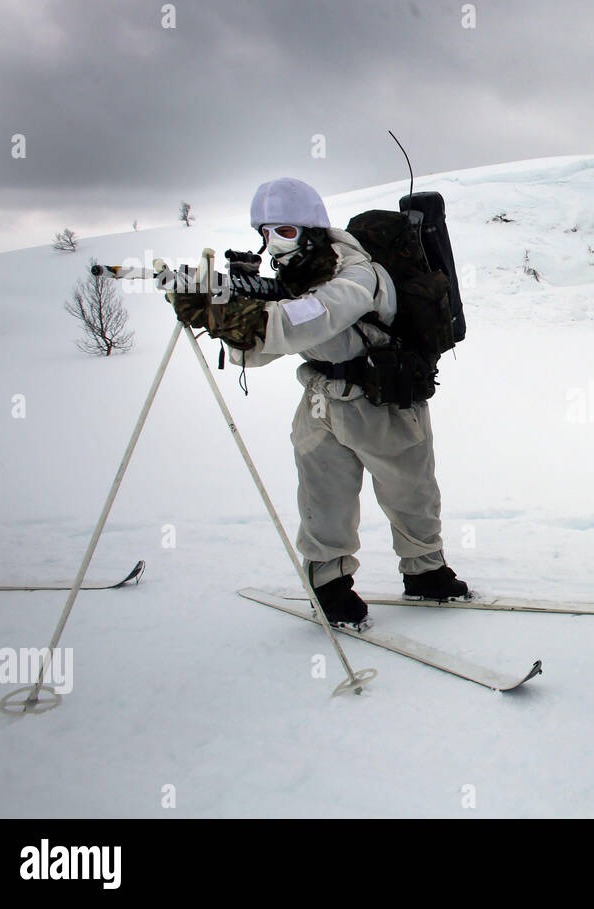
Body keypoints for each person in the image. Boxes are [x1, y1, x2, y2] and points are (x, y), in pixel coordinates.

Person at [167, 177, 467, 631]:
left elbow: (307, 319)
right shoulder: (296, 280)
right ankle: (330, 586)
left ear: (313, 230)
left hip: (382, 401)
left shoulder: (357, 274)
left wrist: (230, 314)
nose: (274, 245)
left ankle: (425, 571)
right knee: (322, 498)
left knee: (410, 494)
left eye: (285, 232)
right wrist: (221, 316)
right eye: (265, 233)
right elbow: (262, 349)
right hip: (321, 402)